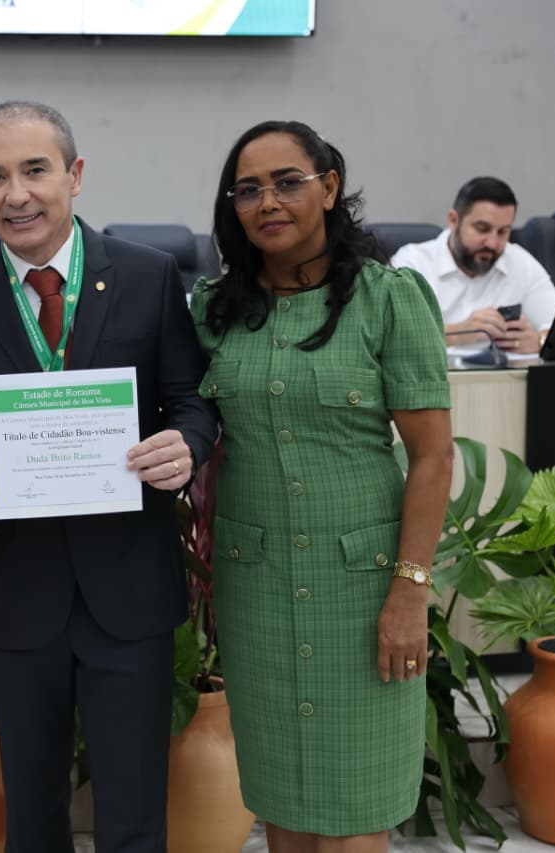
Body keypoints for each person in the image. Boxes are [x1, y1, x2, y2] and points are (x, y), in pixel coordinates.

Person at [0, 101, 218, 853]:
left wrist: (186, 445)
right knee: (34, 814)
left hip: (129, 589)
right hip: (18, 594)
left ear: (75, 176)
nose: (16, 193)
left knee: (135, 814)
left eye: (35, 170)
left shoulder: (148, 277)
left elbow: (191, 399)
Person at [191, 120, 453, 852]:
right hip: (255, 587)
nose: (267, 201)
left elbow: (432, 456)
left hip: (365, 587)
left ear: (330, 187)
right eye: (248, 189)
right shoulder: (213, 311)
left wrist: (410, 588)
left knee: (355, 799)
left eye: (287, 182)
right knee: (283, 796)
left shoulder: (388, 298)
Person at [390, 176, 555, 353]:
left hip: (505, 379)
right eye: (482, 228)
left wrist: (539, 342)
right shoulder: (412, 264)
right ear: (453, 220)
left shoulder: (521, 263)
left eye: (503, 232)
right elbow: (392, 337)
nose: (493, 243)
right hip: (433, 379)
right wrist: (458, 332)